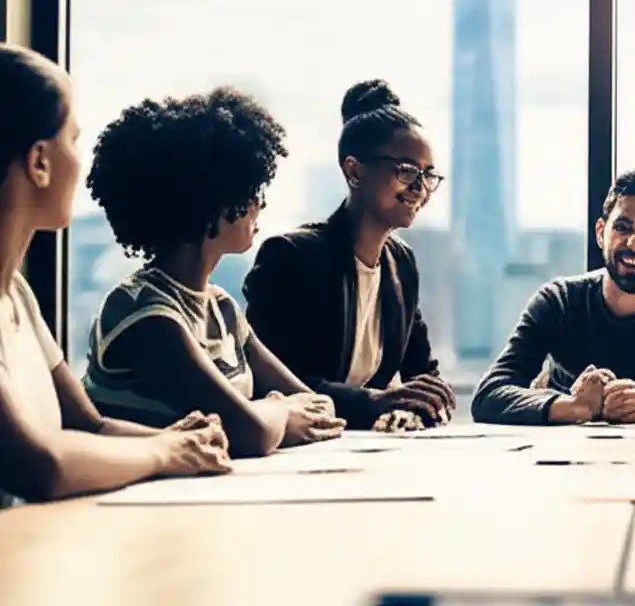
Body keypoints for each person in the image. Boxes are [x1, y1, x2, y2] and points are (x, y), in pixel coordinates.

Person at [0, 44, 230, 505]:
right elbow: (39, 466)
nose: (78, 160)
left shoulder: (18, 294)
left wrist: (180, 441)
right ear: (39, 161)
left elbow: (88, 425)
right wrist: (164, 452)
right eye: (74, 139)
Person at [82, 87, 345, 457]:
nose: (259, 205)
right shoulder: (144, 316)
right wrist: (278, 410)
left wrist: (276, 415)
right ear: (209, 208)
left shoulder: (221, 308)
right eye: (249, 192)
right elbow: (251, 433)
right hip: (141, 505)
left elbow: (317, 406)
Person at [243, 80, 455, 430]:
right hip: (295, 448)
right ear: (354, 170)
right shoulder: (291, 257)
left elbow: (422, 376)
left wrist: (425, 401)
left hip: (362, 452)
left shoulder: (402, 265)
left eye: (428, 174)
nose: (419, 187)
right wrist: (373, 402)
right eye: (405, 171)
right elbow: (272, 382)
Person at [471, 170, 635, 425]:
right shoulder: (558, 300)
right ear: (601, 233)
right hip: (563, 460)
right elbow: (490, 394)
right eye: (623, 228)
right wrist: (572, 407)